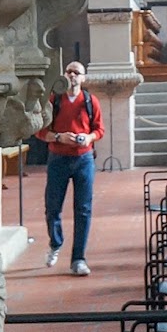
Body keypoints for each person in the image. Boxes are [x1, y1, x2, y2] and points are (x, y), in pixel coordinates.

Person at [36, 62, 103, 276]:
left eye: (77, 72)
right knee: (52, 206)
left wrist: (88, 138)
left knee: (83, 209)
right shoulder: (53, 101)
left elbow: (99, 129)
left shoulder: (91, 102)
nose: (72, 75)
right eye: (69, 72)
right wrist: (59, 137)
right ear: (64, 76)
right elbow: (40, 131)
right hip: (58, 158)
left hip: (83, 159)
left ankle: (78, 258)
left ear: (83, 78)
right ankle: (55, 243)